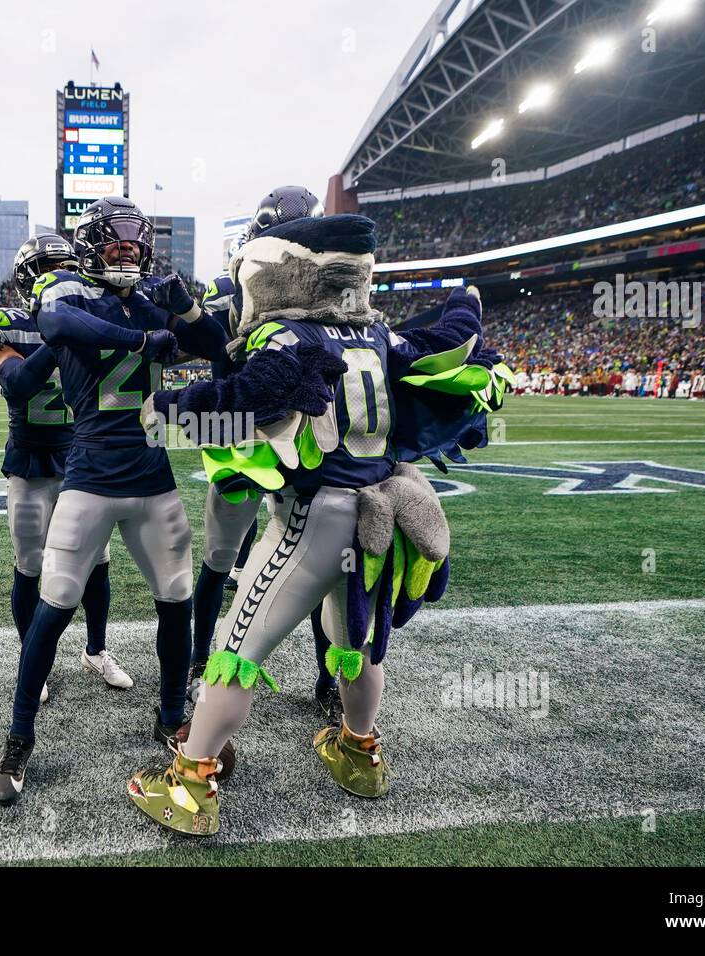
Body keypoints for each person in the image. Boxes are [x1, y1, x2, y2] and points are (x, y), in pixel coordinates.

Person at [126, 214, 481, 835]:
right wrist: (467, 300)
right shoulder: (377, 336)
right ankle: (359, 752)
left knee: (236, 651)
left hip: (313, 516)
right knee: (354, 643)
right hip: (378, 511)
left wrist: (172, 408)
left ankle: (190, 783)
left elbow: (250, 401)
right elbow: (447, 339)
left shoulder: (293, 337)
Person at [0, 196, 227, 805]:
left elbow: (216, 345)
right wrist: (147, 338)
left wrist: (188, 307)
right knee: (55, 602)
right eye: (116, 242)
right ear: (92, 245)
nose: (128, 251)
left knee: (176, 602)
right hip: (89, 475)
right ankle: (19, 735)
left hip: (152, 476)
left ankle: (172, 713)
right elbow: (66, 328)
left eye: (135, 243)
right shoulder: (66, 290)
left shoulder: (145, 299)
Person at [187, 185, 341, 722]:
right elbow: (203, 341)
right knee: (220, 561)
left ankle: (328, 677)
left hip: (301, 442)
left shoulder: (329, 297)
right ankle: (197, 659)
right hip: (245, 438)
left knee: (322, 567)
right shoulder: (233, 293)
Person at [0, 233, 127, 697]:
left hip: (81, 457)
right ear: (27, 279)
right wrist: (60, 332)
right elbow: (16, 384)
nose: (57, 278)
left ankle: (96, 650)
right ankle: (33, 657)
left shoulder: (92, 312)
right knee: (30, 564)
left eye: (64, 267)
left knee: (98, 561)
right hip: (30, 461)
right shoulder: (5, 321)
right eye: (46, 269)